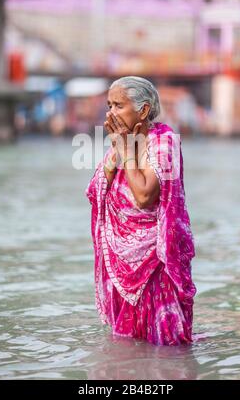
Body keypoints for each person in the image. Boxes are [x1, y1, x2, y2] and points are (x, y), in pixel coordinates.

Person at [85, 76, 196, 346]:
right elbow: (95, 189)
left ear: (143, 110)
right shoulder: (123, 143)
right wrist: (119, 150)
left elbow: (145, 195)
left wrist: (126, 150)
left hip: (155, 259)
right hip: (121, 263)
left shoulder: (163, 142)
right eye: (109, 105)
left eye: (118, 106)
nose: (110, 113)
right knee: (126, 348)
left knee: (166, 346)